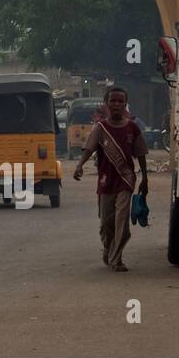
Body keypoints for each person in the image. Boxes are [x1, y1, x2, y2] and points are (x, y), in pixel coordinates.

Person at [72, 86, 149, 272]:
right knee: (106, 223)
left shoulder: (133, 128)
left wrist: (145, 178)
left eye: (120, 101)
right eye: (113, 101)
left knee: (121, 220)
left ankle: (117, 259)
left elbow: (141, 154)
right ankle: (108, 248)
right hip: (106, 182)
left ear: (125, 104)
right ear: (106, 104)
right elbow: (89, 149)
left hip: (126, 180)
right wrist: (80, 165)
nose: (116, 104)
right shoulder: (100, 128)